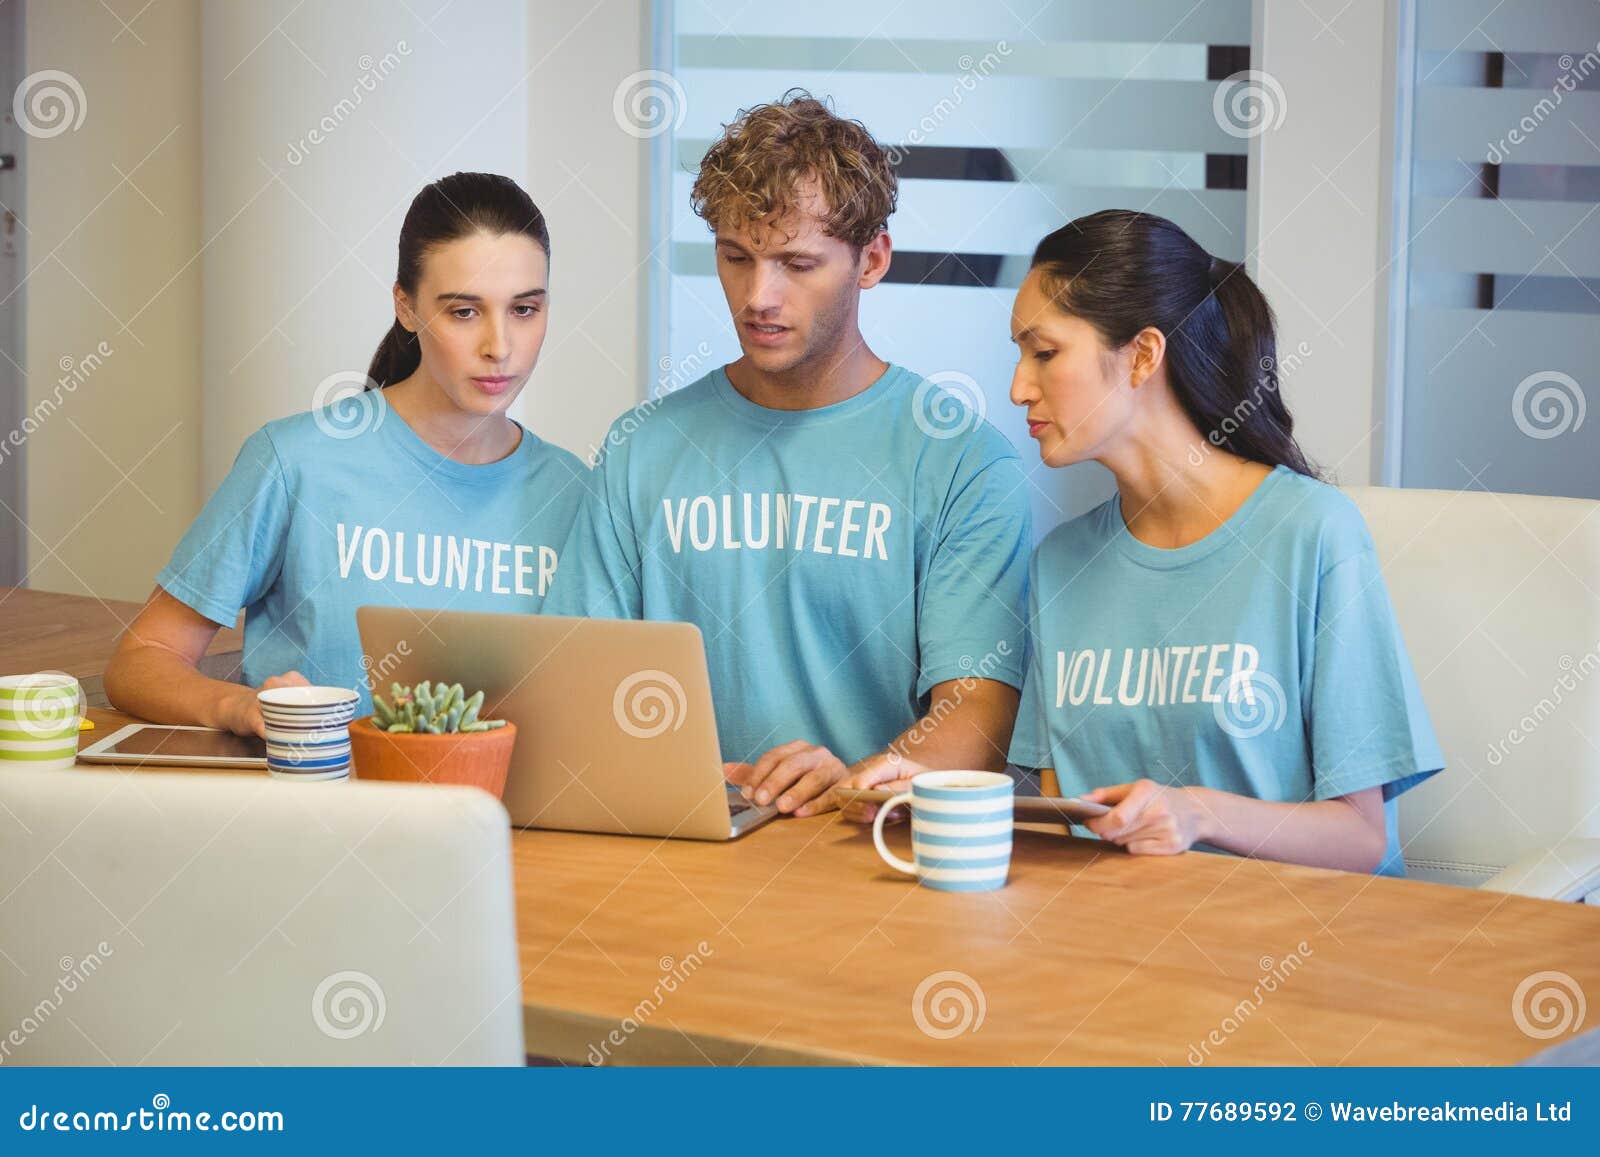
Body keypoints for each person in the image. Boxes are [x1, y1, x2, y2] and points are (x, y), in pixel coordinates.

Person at [548, 92, 1031, 817]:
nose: (757, 296)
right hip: (675, 854)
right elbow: (576, 685)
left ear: (872, 261)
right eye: (735, 258)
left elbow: (976, 719)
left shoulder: (961, 460)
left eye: (797, 264)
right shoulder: (641, 448)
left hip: (869, 863)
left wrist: (854, 781)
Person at [990, 209, 1443, 875]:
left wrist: (1197, 812)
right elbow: (1072, 832)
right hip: (1119, 951)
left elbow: (1361, 838)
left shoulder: (1313, 534)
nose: (1018, 387)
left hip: (1298, 947)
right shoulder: (1059, 564)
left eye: (1046, 352)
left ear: (1143, 354)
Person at [106, 172, 588, 737]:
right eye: (464, 311)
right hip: (318, 811)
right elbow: (141, 660)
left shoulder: (579, 495)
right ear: (406, 308)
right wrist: (239, 708)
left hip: (508, 822)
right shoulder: (294, 462)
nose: (499, 346)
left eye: (525, 310)